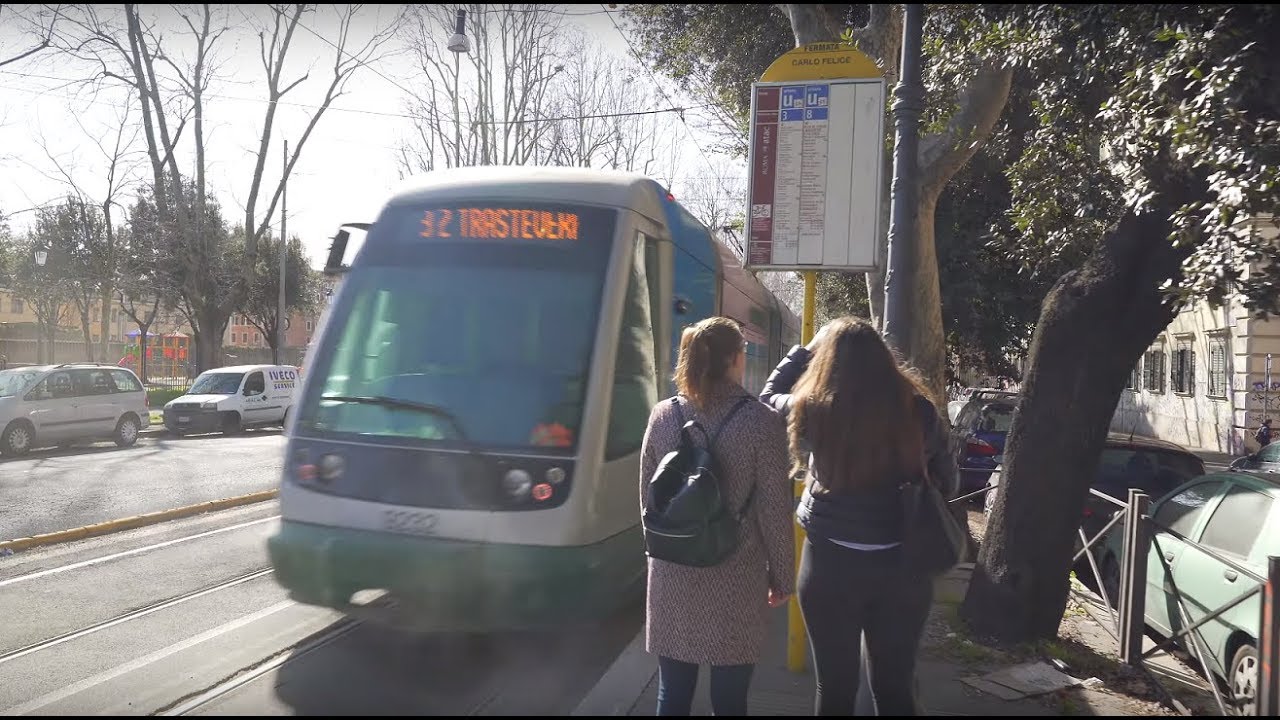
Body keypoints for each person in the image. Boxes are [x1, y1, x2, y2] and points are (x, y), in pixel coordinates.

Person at [760, 316, 958, 716]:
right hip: (903, 566)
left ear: (826, 361)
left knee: (833, 688)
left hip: (829, 567)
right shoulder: (917, 409)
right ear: (884, 360)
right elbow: (948, 483)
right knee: (895, 686)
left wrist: (803, 350)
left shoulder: (812, 409)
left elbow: (768, 397)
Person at [639, 316, 795, 716]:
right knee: (729, 701)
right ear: (736, 360)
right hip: (735, 577)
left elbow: (648, 498)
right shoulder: (762, 421)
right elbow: (774, 509)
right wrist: (782, 578)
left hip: (673, 574)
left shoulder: (663, 415)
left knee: (671, 696)